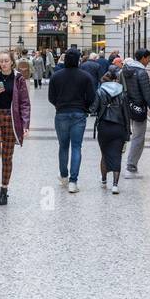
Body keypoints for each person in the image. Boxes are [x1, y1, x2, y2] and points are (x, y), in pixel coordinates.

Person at [0, 50, 30, 206]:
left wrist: (25, 124)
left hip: (11, 119)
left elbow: (24, 103)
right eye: (1, 61)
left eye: (6, 61)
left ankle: (4, 191)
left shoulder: (18, 79)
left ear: (11, 62)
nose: (3, 63)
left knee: (7, 157)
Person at [47, 49, 94, 193]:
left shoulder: (56, 76)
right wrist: (84, 107)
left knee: (63, 146)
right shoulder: (85, 77)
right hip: (79, 114)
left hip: (61, 114)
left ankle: (63, 176)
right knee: (76, 147)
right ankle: (73, 182)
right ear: (79, 60)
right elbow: (91, 97)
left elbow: (51, 97)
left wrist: (59, 105)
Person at [121, 49, 150, 177]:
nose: (149, 61)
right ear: (143, 58)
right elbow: (147, 95)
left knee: (128, 136)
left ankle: (121, 165)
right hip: (138, 109)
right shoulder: (142, 73)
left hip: (126, 107)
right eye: (148, 58)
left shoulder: (125, 70)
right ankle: (131, 167)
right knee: (138, 138)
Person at [92, 69, 129, 195]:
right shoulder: (122, 93)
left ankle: (103, 181)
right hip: (119, 127)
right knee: (117, 155)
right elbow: (126, 115)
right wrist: (127, 133)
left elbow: (93, 109)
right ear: (116, 79)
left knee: (104, 154)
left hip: (103, 127)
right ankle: (115, 185)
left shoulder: (100, 91)